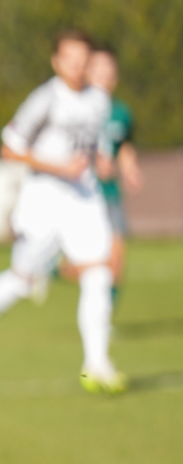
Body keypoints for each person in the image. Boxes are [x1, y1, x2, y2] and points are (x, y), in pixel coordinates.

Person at [0, 29, 123, 393]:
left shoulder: (99, 99)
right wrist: (58, 167)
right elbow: (10, 149)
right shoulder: (46, 99)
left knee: (98, 273)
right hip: (44, 200)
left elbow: (96, 146)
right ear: (56, 62)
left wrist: (103, 162)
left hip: (84, 199)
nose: (77, 65)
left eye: (82, 59)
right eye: (69, 58)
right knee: (22, 281)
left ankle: (96, 365)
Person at [88, 46, 141, 301]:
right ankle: (52, 271)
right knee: (93, 265)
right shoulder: (76, 108)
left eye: (108, 69)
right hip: (82, 194)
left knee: (117, 262)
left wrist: (130, 169)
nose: (103, 74)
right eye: (97, 67)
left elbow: (124, 146)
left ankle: (104, 315)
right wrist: (92, 163)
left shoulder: (121, 113)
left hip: (110, 193)